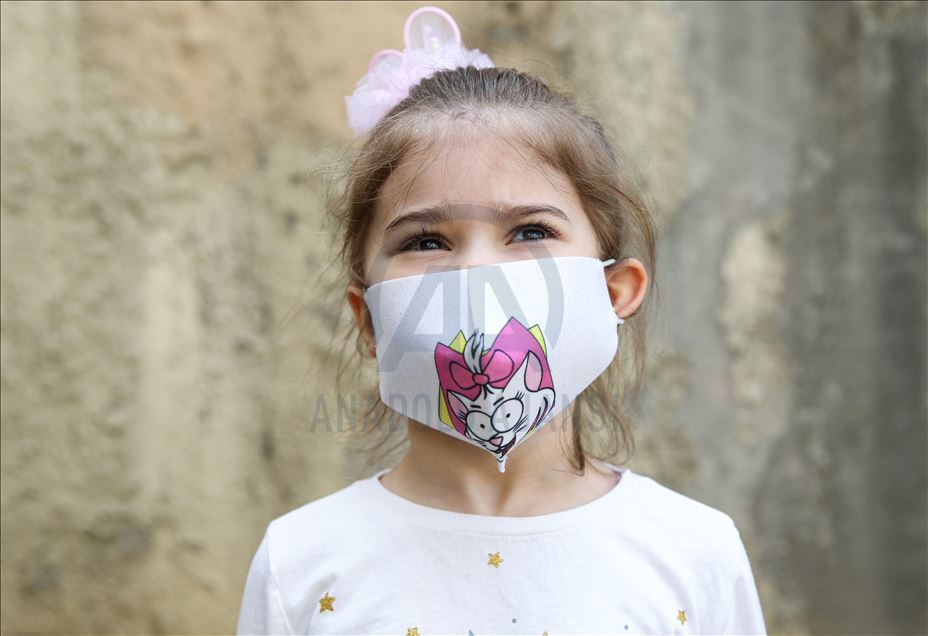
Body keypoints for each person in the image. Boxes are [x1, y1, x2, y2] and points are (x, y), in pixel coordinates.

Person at [237, 6, 767, 635]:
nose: (477, 276)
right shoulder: (301, 563)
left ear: (616, 290)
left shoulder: (695, 552)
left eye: (530, 231)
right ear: (369, 319)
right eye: (427, 241)